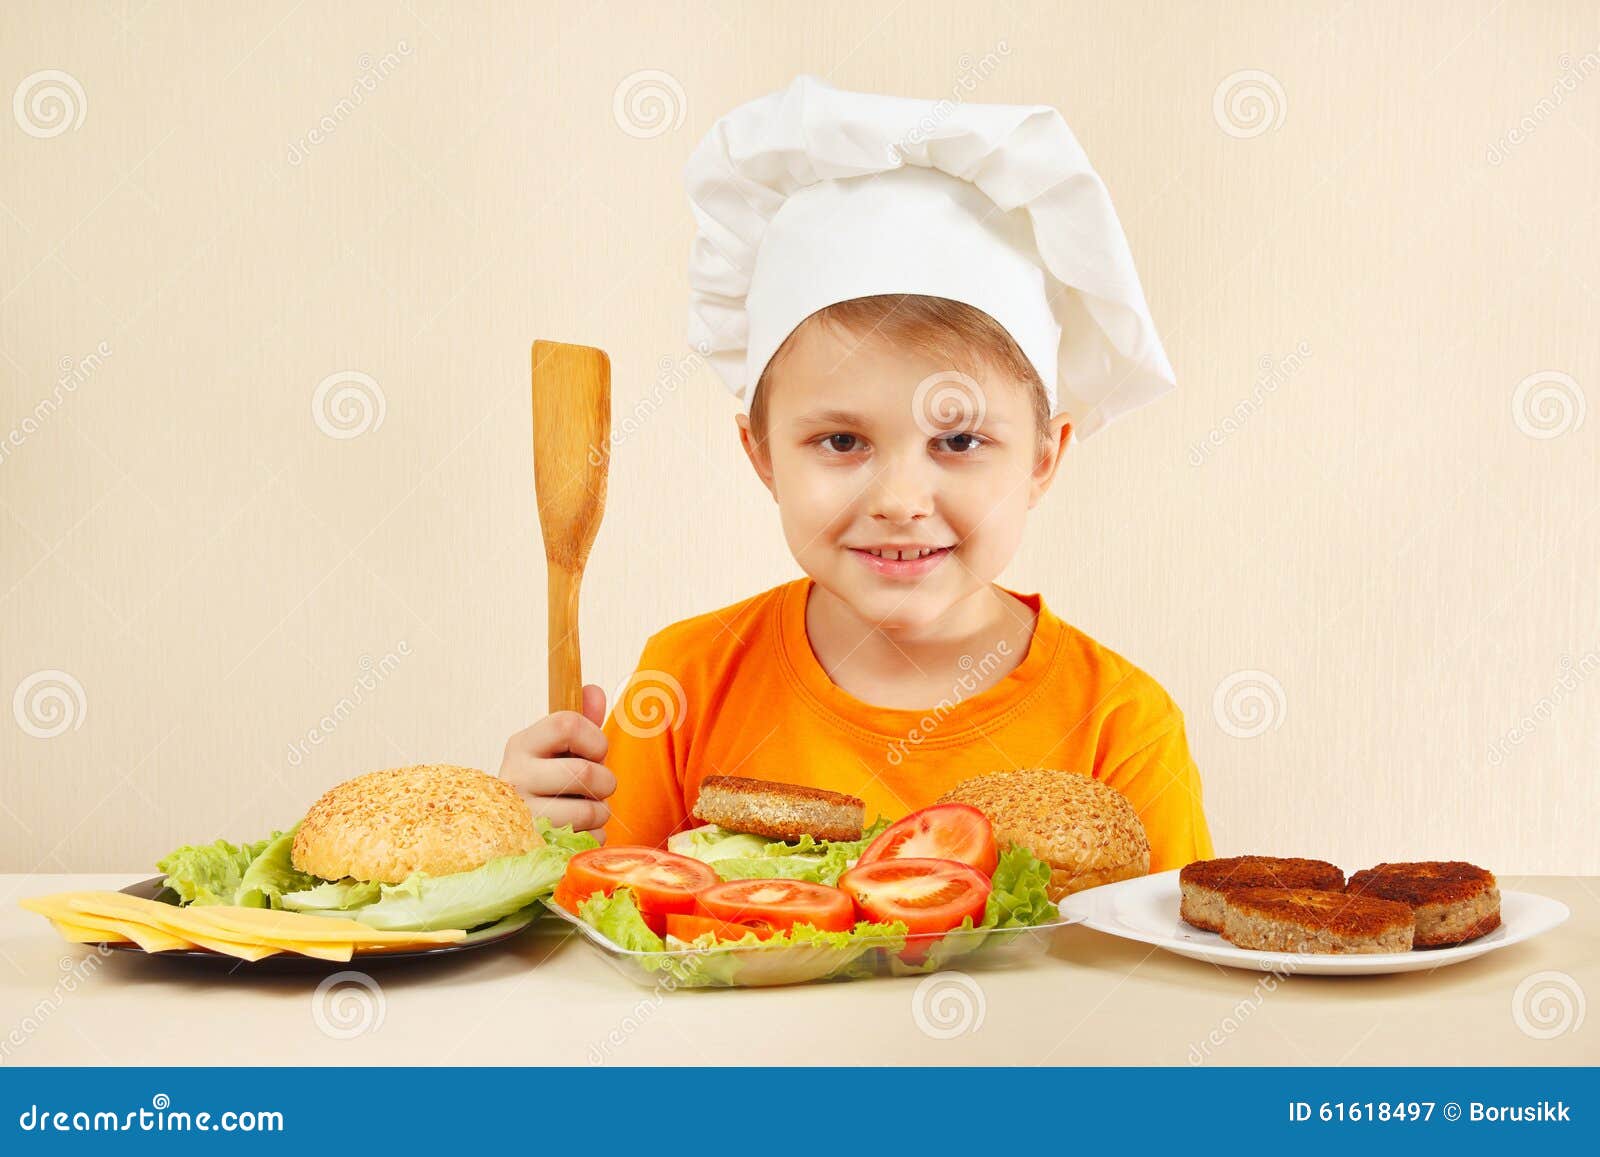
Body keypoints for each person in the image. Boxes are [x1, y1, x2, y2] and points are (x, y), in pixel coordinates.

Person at [501, 75, 1213, 871]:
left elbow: (1168, 980)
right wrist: (534, 840)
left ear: (1045, 457)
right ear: (761, 452)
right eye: (842, 442)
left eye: (960, 441)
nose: (901, 502)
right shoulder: (685, 684)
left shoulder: (1121, 725)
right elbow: (595, 932)